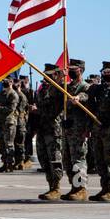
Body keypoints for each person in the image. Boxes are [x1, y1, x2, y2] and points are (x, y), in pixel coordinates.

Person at [86, 62, 110, 202]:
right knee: (100, 160)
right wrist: (89, 127)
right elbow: (89, 103)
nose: (105, 74)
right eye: (104, 72)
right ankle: (104, 188)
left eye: (108, 72)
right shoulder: (99, 89)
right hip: (98, 129)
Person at [60, 59, 94, 201]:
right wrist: (61, 77)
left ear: (80, 70)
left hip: (79, 129)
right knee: (67, 159)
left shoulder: (85, 86)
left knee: (78, 159)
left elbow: (87, 96)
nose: (71, 71)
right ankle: (74, 187)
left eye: (73, 68)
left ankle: (81, 189)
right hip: (68, 128)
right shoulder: (67, 86)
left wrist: (78, 98)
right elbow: (57, 92)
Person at [35, 64, 65, 200]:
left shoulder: (60, 89)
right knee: (44, 158)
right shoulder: (43, 90)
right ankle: (50, 185)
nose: (46, 76)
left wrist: (61, 79)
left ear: (56, 75)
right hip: (42, 127)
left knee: (54, 159)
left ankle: (56, 187)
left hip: (54, 129)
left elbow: (56, 108)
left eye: (50, 74)